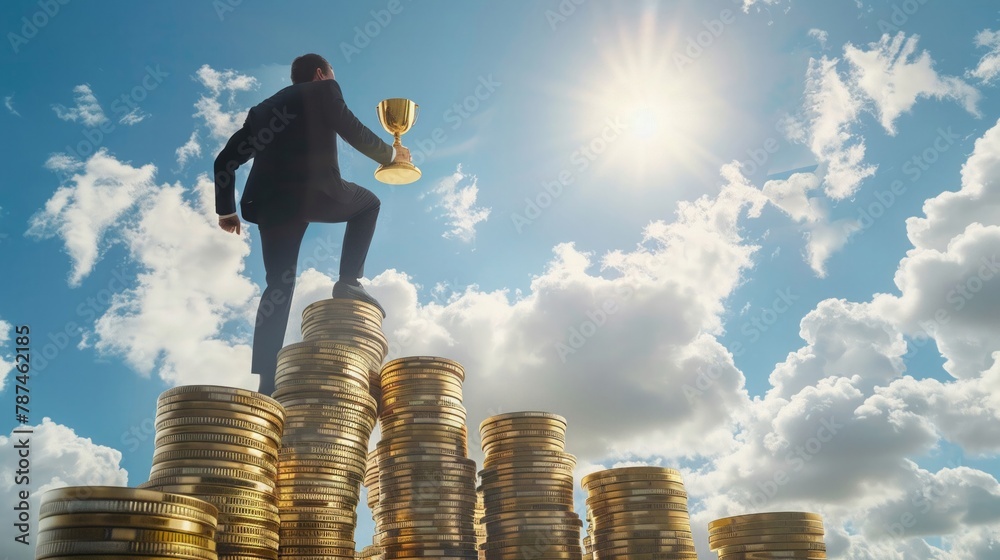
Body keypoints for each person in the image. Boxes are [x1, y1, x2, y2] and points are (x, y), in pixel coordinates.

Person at [214, 53, 410, 395]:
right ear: (321, 74)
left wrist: (226, 211)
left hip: (270, 203)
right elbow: (350, 127)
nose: (335, 78)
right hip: (316, 192)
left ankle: (266, 379)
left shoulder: (262, 111)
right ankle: (349, 280)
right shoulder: (323, 90)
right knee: (368, 204)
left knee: (278, 285)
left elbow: (224, 160)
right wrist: (392, 156)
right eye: (332, 73)